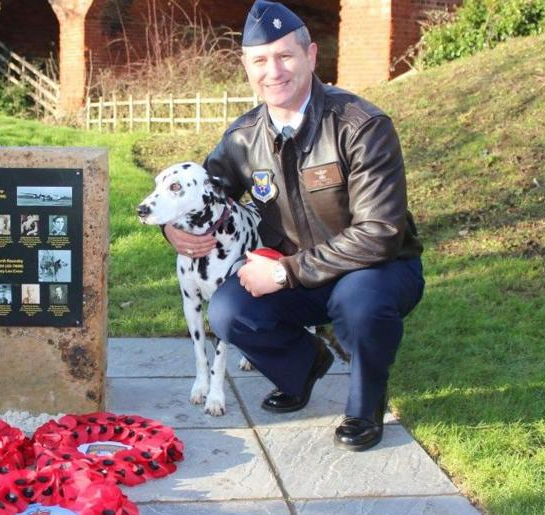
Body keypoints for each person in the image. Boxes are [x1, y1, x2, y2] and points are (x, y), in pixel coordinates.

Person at [163, 0, 424, 451]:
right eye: (260, 61)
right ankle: (303, 367)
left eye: (285, 56)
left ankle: (365, 405)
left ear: (311, 56)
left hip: (374, 270)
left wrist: (284, 272)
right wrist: (172, 231)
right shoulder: (243, 137)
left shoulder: (361, 126)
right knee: (228, 311)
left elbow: (380, 232)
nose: (274, 71)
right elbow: (200, 190)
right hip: (295, 274)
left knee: (360, 303)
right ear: (247, 67)